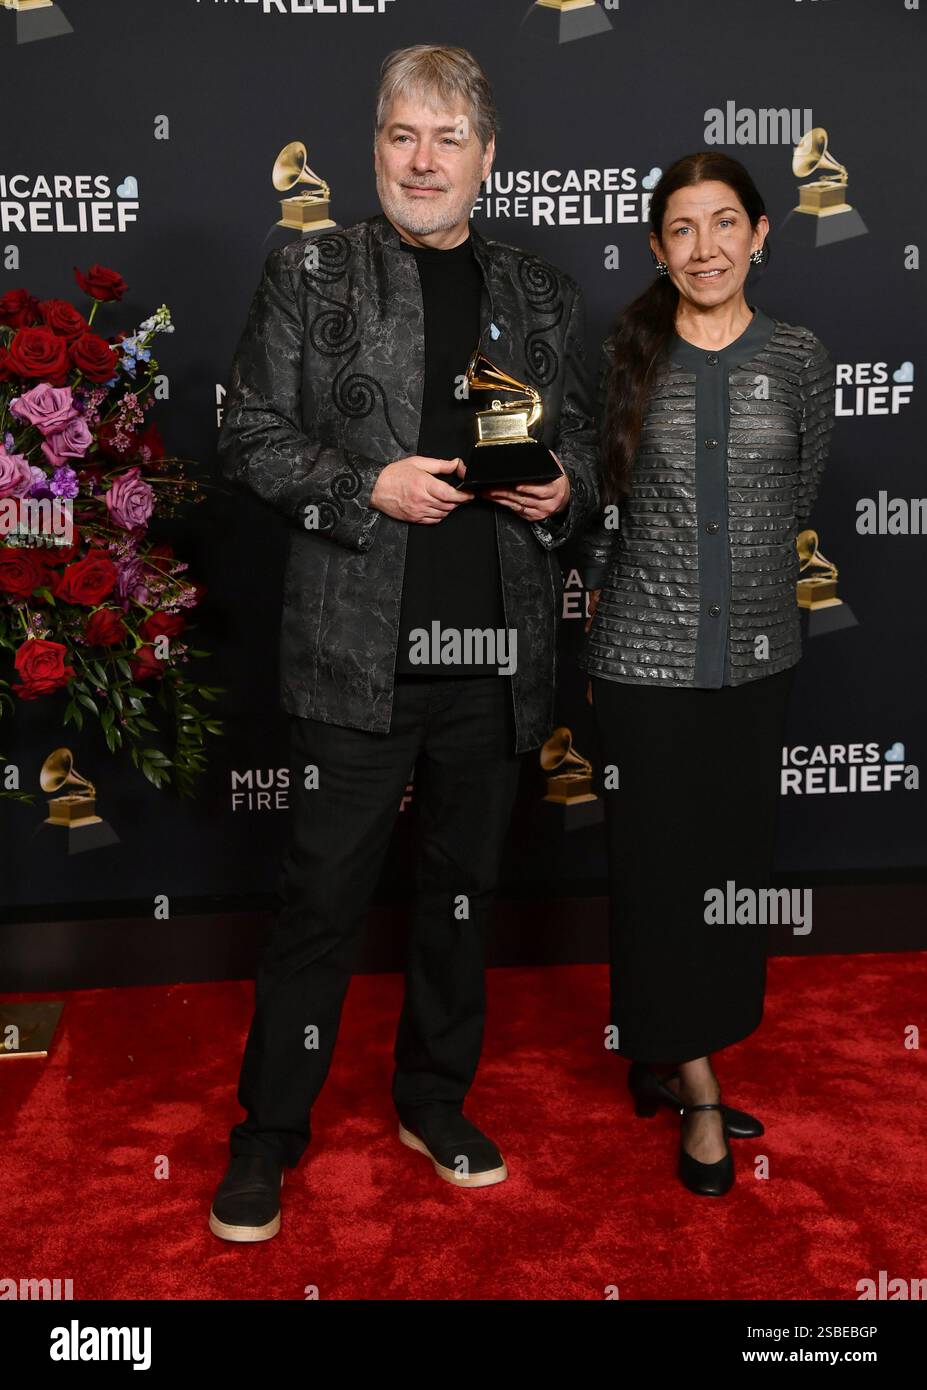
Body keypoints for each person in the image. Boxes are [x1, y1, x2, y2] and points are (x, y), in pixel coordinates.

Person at [211, 43, 599, 1241]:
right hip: (353, 656)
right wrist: (363, 487)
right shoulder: (313, 269)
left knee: (463, 897)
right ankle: (268, 1135)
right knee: (321, 903)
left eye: (447, 140)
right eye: (400, 137)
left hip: (495, 661)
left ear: (488, 157)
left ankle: (434, 1099)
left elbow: (578, 444)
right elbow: (250, 435)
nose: (421, 162)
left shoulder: (537, 291)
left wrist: (561, 495)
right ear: (373, 149)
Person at [578, 151, 835, 1197]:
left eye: (725, 223)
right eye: (682, 229)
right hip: (645, 664)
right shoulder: (627, 355)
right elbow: (601, 514)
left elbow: (798, 493)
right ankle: (698, 1087)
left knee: (728, 877)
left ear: (761, 233)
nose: (706, 248)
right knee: (658, 873)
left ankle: (674, 1048)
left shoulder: (803, 357)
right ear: (656, 247)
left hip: (760, 657)